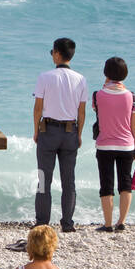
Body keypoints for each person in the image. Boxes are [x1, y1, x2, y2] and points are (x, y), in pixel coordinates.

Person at [33, 37, 87, 233]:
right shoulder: (81, 79)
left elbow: (38, 108)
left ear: (57, 53)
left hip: (48, 130)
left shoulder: (45, 77)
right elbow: (82, 112)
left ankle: (42, 223)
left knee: (43, 179)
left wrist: (35, 130)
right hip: (70, 131)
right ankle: (67, 223)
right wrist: (79, 133)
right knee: (68, 180)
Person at [92, 57, 135, 232]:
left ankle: (107, 224)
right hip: (126, 145)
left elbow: (97, 110)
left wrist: (106, 85)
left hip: (104, 145)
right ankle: (121, 222)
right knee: (125, 185)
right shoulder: (132, 97)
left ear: (106, 73)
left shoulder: (97, 95)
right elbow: (133, 125)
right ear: (124, 75)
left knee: (106, 185)